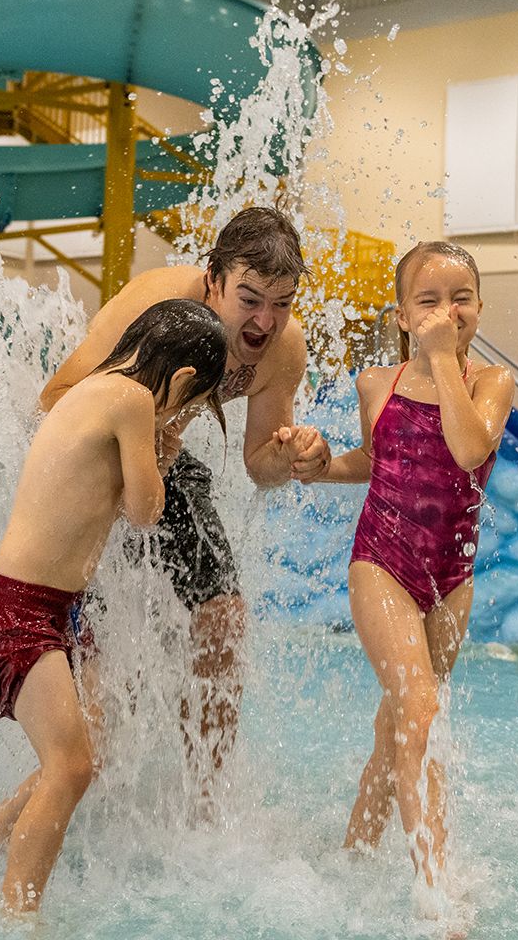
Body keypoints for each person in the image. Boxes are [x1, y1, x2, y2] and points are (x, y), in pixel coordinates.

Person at [38, 207, 331, 799]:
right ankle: (39, 798)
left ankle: (206, 803)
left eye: (282, 302)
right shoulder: (154, 306)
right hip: (97, 463)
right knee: (104, 692)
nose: (264, 322)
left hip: (165, 462)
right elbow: (56, 399)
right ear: (213, 281)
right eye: (249, 298)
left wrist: (296, 453)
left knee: (224, 618)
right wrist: (139, 448)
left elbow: (259, 466)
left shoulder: (282, 351)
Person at [0, 299, 228, 915]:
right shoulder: (133, 402)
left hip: (49, 609)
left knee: (94, 746)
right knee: (72, 767)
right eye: (190, 407)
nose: (182, 417)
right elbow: (145, 513)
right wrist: (164, 453)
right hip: (22, 610)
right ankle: (17, 913)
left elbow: (104, 509)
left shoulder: (97, 392)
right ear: (185, 380)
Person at [315, 240, 515, 913]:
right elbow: (374, 461)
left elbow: (468, 446)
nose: (444, 311)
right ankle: (436, 888)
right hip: (383, 563)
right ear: (402, 315)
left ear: (479, 310)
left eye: (460, 298)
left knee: (397, 727)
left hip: (452, 577)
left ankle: (355, 849)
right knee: (421, 714)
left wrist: (442, 364)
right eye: (427, 301)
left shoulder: (492, 385)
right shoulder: (379, 383)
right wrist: (318, 466)